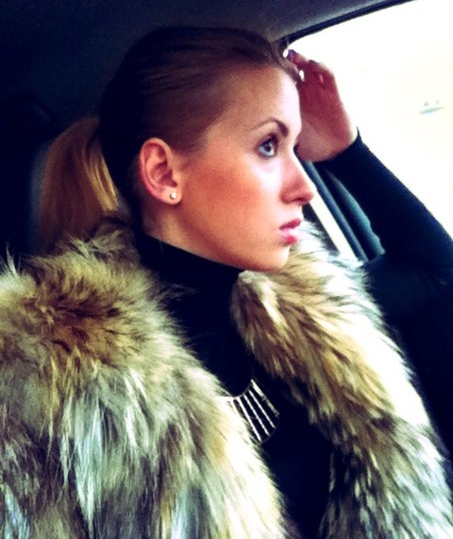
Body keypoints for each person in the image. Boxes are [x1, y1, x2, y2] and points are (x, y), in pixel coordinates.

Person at [0, 27, 451, 538]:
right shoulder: (48, 384)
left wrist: (347, 151)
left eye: (294, 146)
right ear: (164, 174)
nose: (304, 186)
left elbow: (433, 269)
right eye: (268, 146)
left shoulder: (302, 306)